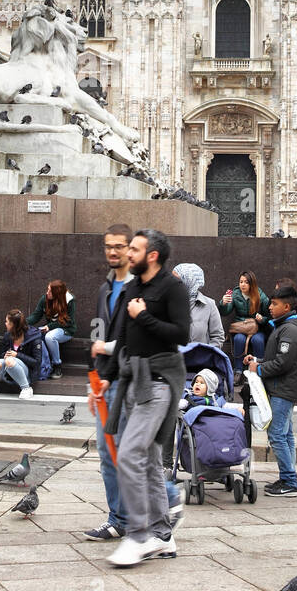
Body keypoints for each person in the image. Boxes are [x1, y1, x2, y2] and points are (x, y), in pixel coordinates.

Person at [99, 229, 190, 568]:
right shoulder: (133, 287)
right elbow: (121, 336)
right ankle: (163, 535)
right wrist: (107, 377)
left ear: (152, 255)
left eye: (134, 249)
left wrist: (145, 316)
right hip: (133, 382)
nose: (128, 254)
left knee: (129, 454)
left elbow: (180, 334)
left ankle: (138, 535)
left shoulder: (172, 288)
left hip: (159, 382)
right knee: (149, 459)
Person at [84, 224, 135, 543]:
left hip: (131, 381)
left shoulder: (140, 288)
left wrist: (108, 348)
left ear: (131, 249)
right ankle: (118, 518)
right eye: (108, 246)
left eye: (119, 246)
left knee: (131, 453)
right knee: (107, 451)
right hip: (106, 381)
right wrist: (95, 379)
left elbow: (141, 338)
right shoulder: (105, 288)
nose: (113, 252)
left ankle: (160, 509)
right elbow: (96, 335)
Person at [244, 282, 297, 496]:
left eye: (275, 303)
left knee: (277, 434)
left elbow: (283, 363)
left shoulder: (289, 330)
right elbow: (278, 358)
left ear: (286, 307)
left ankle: (289, 481)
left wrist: (259, 369)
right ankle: (288, 477)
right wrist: (258, 360)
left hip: (283, 389)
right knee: (285, 434)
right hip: (283, 388)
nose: (270, 307)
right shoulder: (284, 326)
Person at [0, 310, 42, 397]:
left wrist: (17, 355)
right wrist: (5, 355)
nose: (5, 323)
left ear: (13, 325)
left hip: (28, 370)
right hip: (10, 366)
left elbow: (37, 362)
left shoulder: (33, 337)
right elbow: (3, 353)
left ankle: (26, 388)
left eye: (7, 322)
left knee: (9, 361)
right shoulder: (8, 335)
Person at [220, 271, 270, 372]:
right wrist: (224, 304)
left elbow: (269, 315)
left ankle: (259, 369)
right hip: (241, 327)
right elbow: (225, 312)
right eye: (241, 282)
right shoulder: (236, 293)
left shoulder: (259, 294)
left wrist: (261, 319)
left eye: (246, 282)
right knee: (238, 339)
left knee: (258, 340)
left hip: (257, 328)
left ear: (252, 284)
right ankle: (238, 370)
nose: (243, 284)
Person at [27, 280, 77, 381]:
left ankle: (57, 365)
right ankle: (40, 366)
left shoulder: (69, 300)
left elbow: (68, 321)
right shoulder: (45, 299)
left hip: (66, 330)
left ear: (57, 294)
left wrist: (49, 326)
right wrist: (22, 323)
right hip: (50, 328)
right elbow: (36, 316)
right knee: (35, 333)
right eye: (48, 290)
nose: (47, 293)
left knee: (50, 337)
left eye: (50, 291)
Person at [172, 263, 225, 350]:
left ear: (189, 280)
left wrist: (204, 354)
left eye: (176, 279)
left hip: (201, 361)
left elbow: (218, 337)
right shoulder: (168, 302)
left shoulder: (209, 304)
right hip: (175, 361)